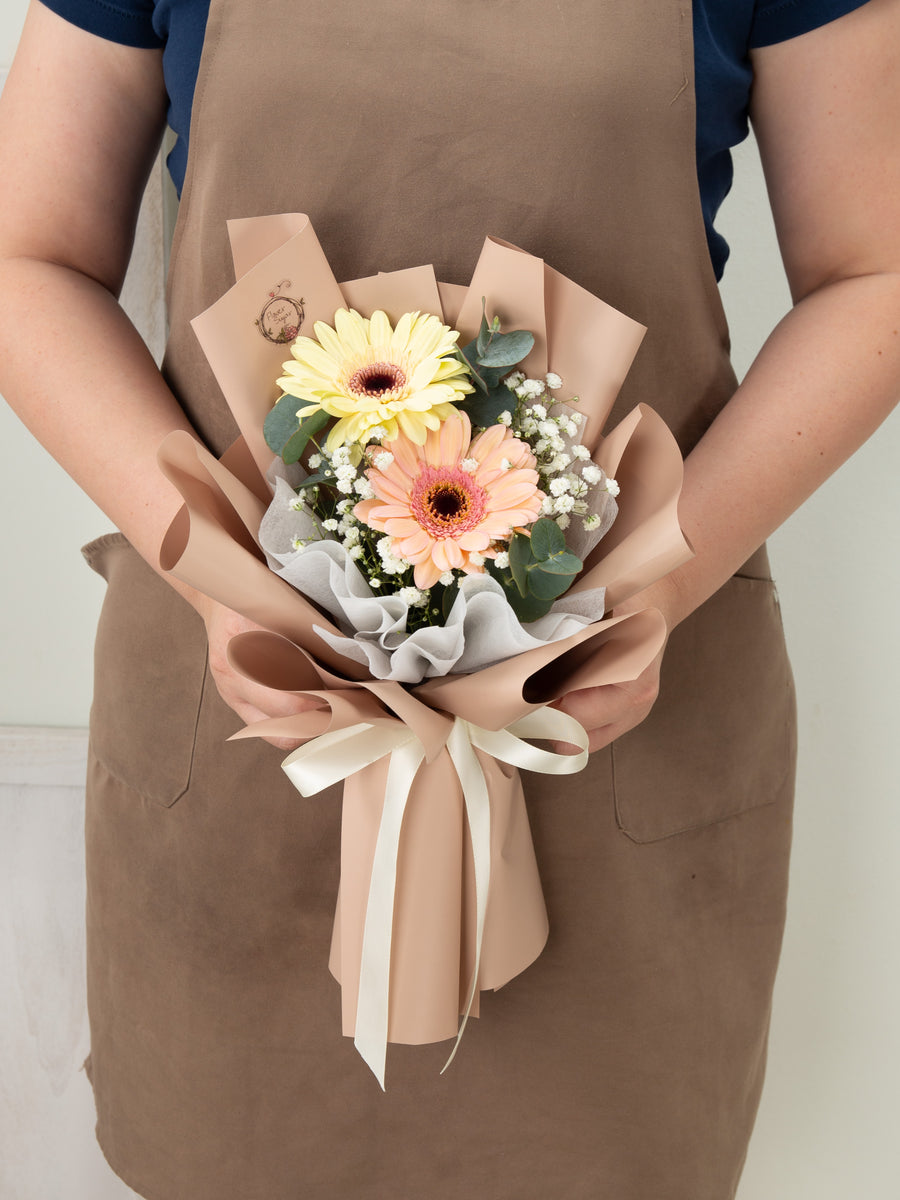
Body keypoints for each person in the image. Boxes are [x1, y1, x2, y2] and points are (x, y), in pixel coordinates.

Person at [0, 1, 898, 1197]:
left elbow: (876, 269)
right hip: (252, 728)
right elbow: (26, 255)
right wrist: (224, 585)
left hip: (612, 718)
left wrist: (642, 594)